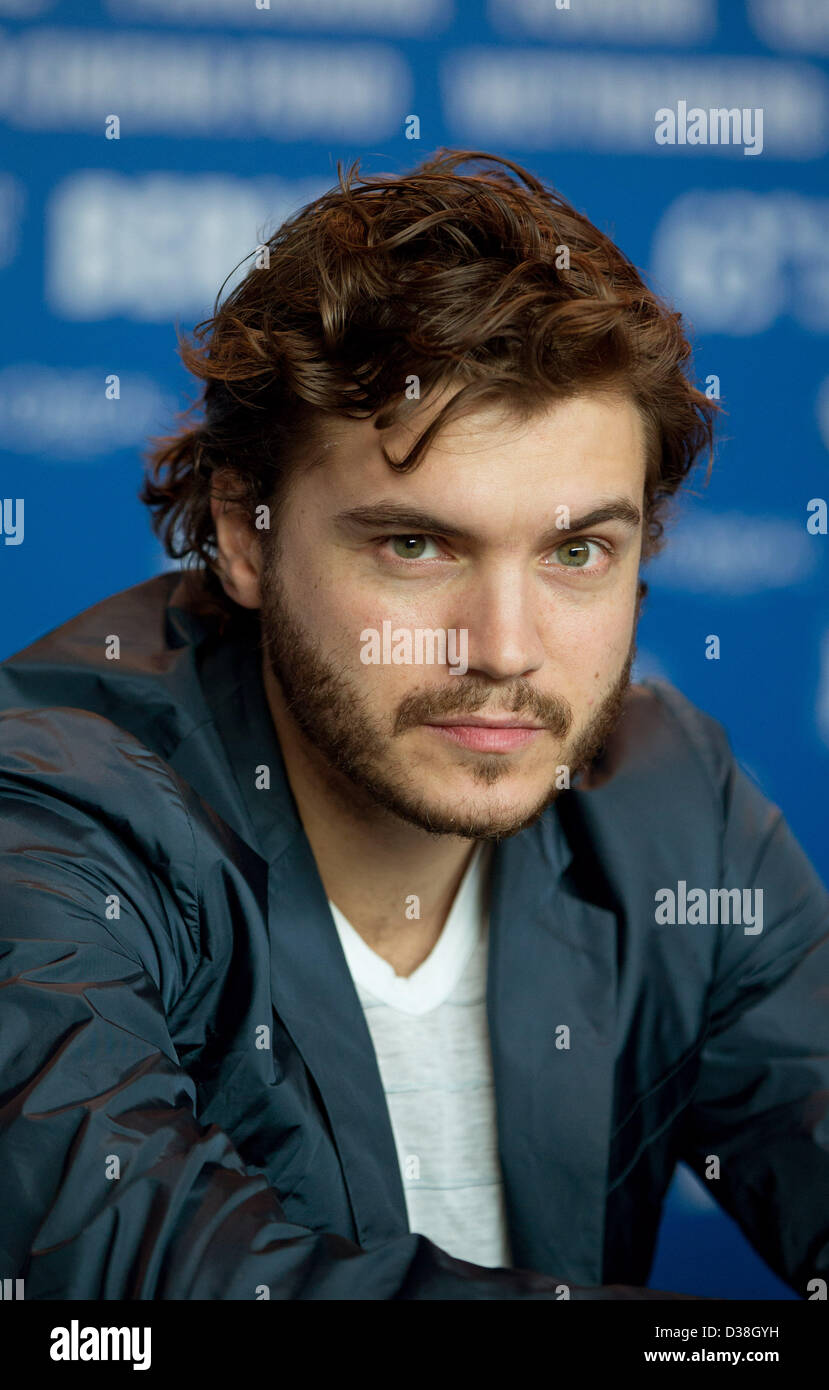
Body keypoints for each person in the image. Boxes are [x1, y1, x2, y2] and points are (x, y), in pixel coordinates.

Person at [0, 149, 826, 1301]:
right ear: (246, 533)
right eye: (415, 545)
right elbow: (128, 1270)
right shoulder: (49, 812)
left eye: (575, 551)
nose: (501, 647)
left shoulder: (672, 803)